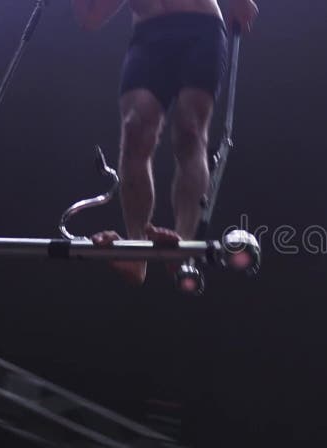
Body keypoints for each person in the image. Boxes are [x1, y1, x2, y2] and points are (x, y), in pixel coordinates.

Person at [70, 0, 259, 285]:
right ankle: (136, 252)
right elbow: (91, 19)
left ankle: (182, 247)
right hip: (149, 36)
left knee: (190, 130)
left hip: (200, 27)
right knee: (135, 128)